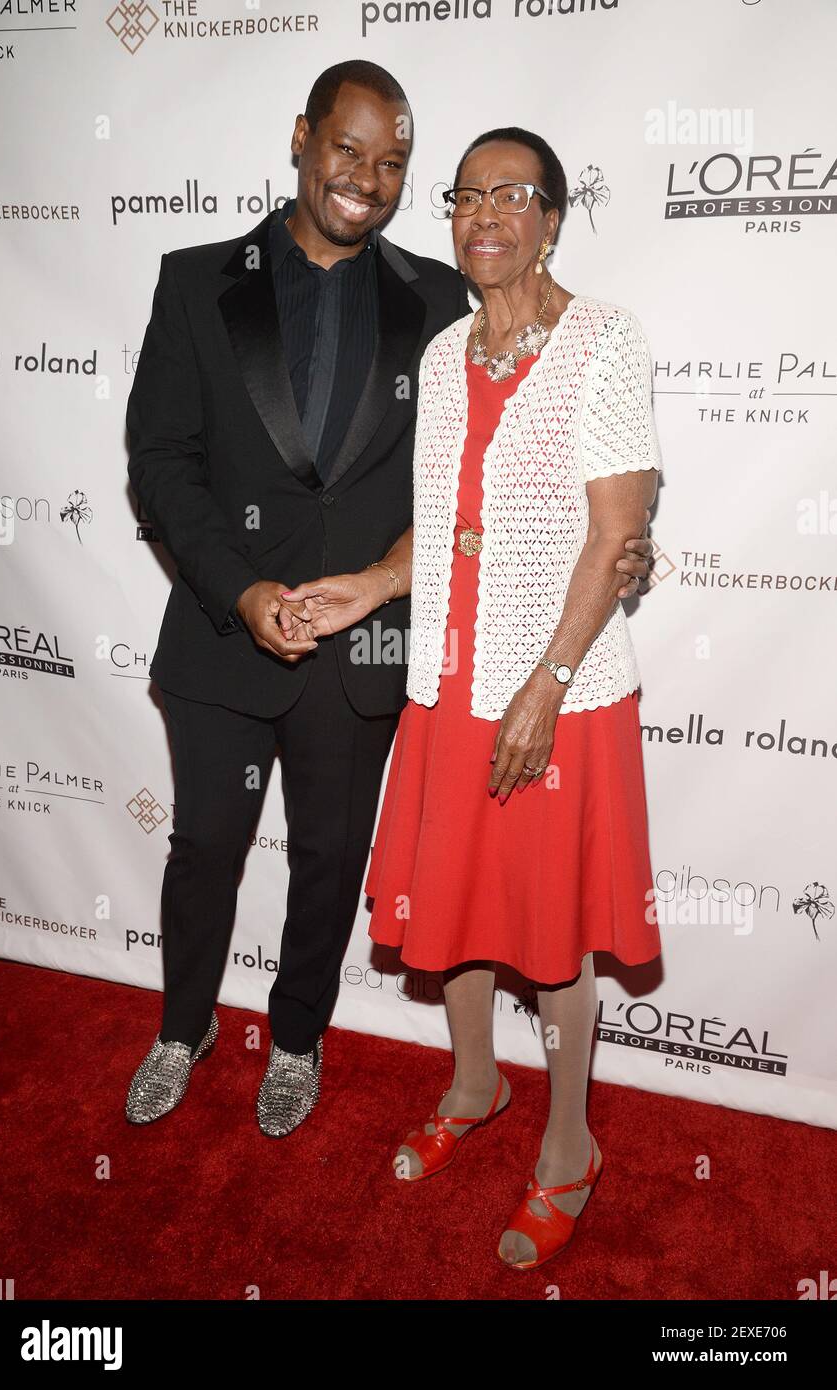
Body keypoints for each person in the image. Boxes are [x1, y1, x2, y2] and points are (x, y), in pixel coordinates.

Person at [125, 64, 654, 1138]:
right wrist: (240, 586)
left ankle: (299, 1039)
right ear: (301, 139)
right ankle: (181, 1026)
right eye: (347, 150)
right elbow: (160, 462)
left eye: (393, 164)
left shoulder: (434, 299)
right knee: (204, 847)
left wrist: (622, 550)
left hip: (366, 652)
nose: (366, 178)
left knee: (329, 860)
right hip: (226, 631)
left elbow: (499, 476)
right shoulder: (191, 280)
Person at [284, 128, 661, 1268]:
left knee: (550, 936)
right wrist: (371, 585)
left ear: (553, 216)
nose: (483, 213)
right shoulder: (446, 352)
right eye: (465, 195)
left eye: (513, 194)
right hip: (448, 682)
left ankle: (566, 1143)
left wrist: (543, 688)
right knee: (449, 913)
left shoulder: (603, 343)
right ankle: (474, 1081)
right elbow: (448, 525)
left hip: (558, 689)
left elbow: (614, 539)